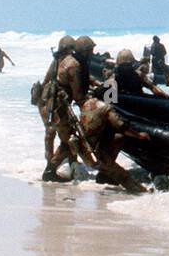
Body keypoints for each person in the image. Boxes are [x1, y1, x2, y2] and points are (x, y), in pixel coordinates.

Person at [43, 35, 101, 181]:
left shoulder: (66, 61)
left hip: (55, 105)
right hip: (59, 108)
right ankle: (50, 171)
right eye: (90, 50)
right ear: (84, 51)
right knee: (69, 140)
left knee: (68, 138)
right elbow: (78, 95)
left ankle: (70, 166)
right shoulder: (74, 65)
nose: (92, 54)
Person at [79, 88, 150, 194]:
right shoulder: (105, 108)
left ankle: (104, 176)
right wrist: (140, 135)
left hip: (84, 149)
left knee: (119, 138)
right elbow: (121, 127)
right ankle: (141, 191)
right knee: (124, 177)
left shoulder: (86, 104)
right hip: (96, 154)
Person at [37, 35, 74, 165]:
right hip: (52, 102)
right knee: (66, 136)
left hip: (45, 101)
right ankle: (56, 164)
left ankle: (51, 161)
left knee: (50, 132)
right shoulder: (65, 64)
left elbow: (46, 80)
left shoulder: (56, 62)